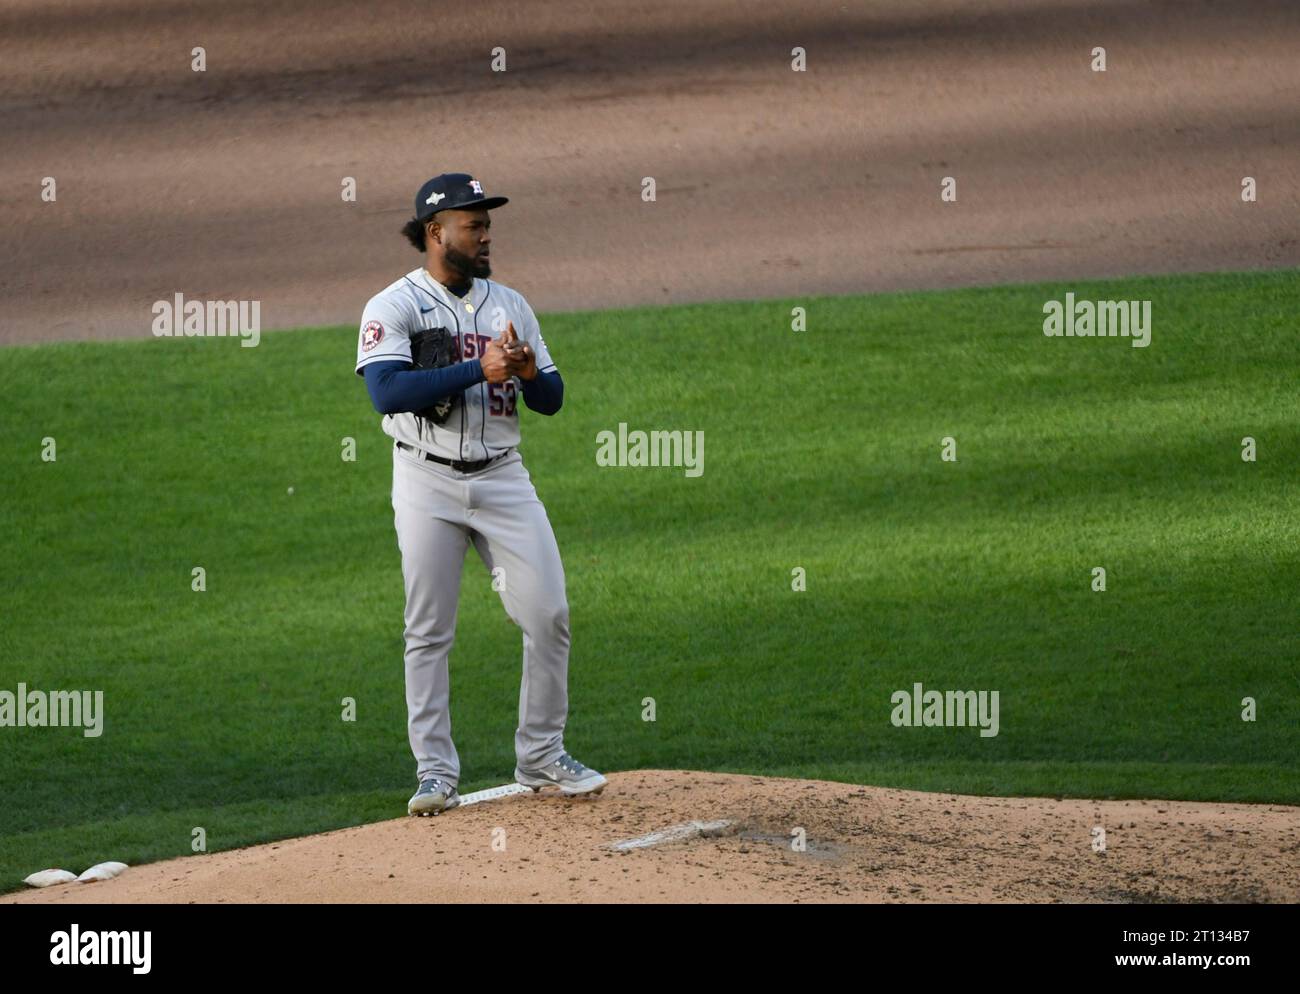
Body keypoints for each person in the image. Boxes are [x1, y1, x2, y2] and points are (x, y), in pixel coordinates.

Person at [354, 172, 606, 816]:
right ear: (436, 233)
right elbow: (386, 393)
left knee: (548, 613)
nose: (486, 233)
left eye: (488, 223)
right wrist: (478, 368)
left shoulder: (511, 305)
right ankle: (435, 774)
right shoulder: (392, 307)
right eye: (475, 223)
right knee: (429, 631)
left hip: (502, 475)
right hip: (424, 478)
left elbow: (551, 400)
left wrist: (525, 372)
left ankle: (543, 755)